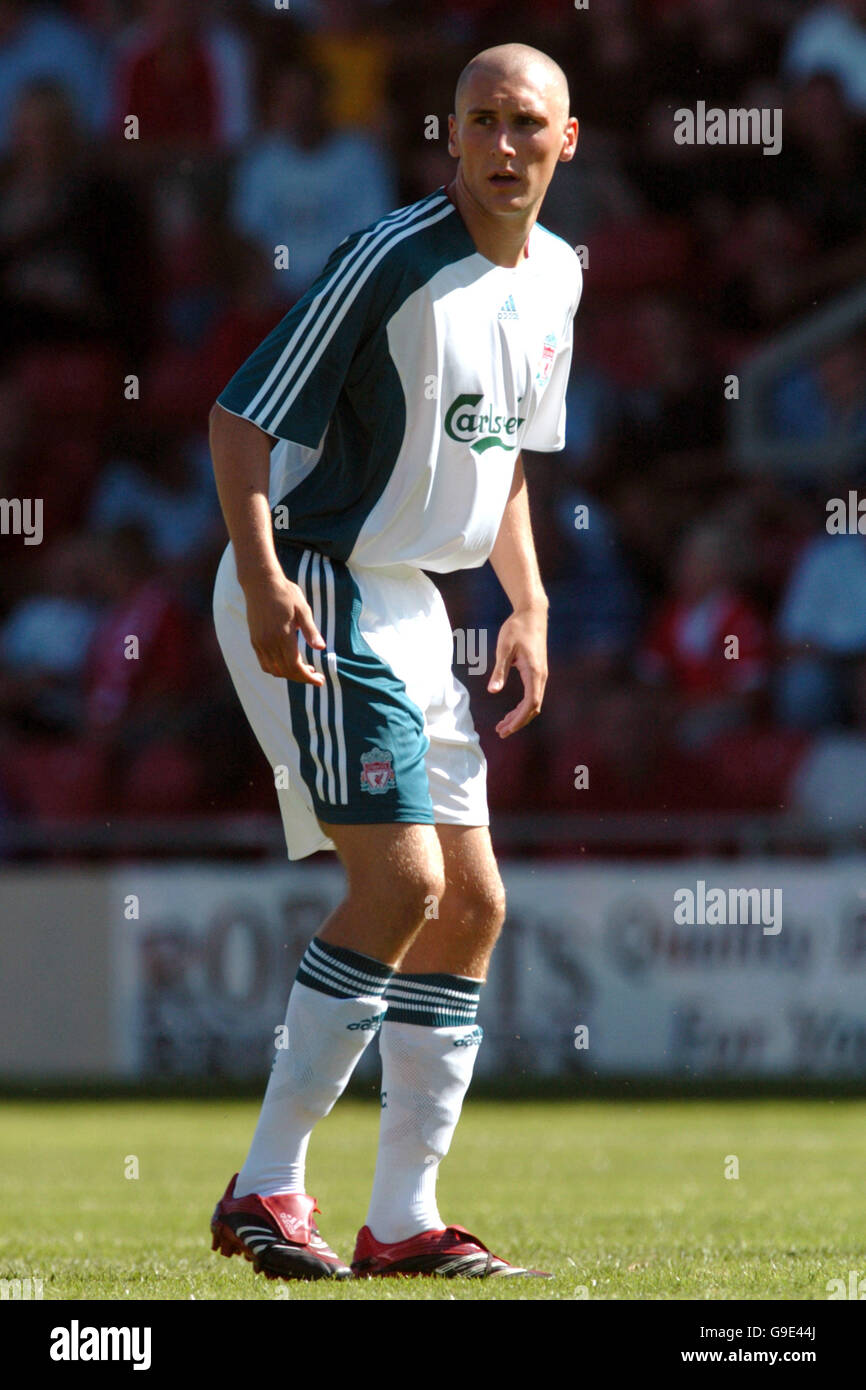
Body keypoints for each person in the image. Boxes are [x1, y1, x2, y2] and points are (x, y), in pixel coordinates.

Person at [207, 42, 581, 1281]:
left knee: (470, 907)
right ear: (452, 136)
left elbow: (507, 455)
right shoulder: (393, 257)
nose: (504, 143)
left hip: (414, 599)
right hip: (312, 574)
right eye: (482, 121)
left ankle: (402, 1223)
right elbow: (238, 416)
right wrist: (261, 582)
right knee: (405, 881)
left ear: (564, 140)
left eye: (526, 122)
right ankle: (262, 1191)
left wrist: (524, 602)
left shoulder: (560, 277)